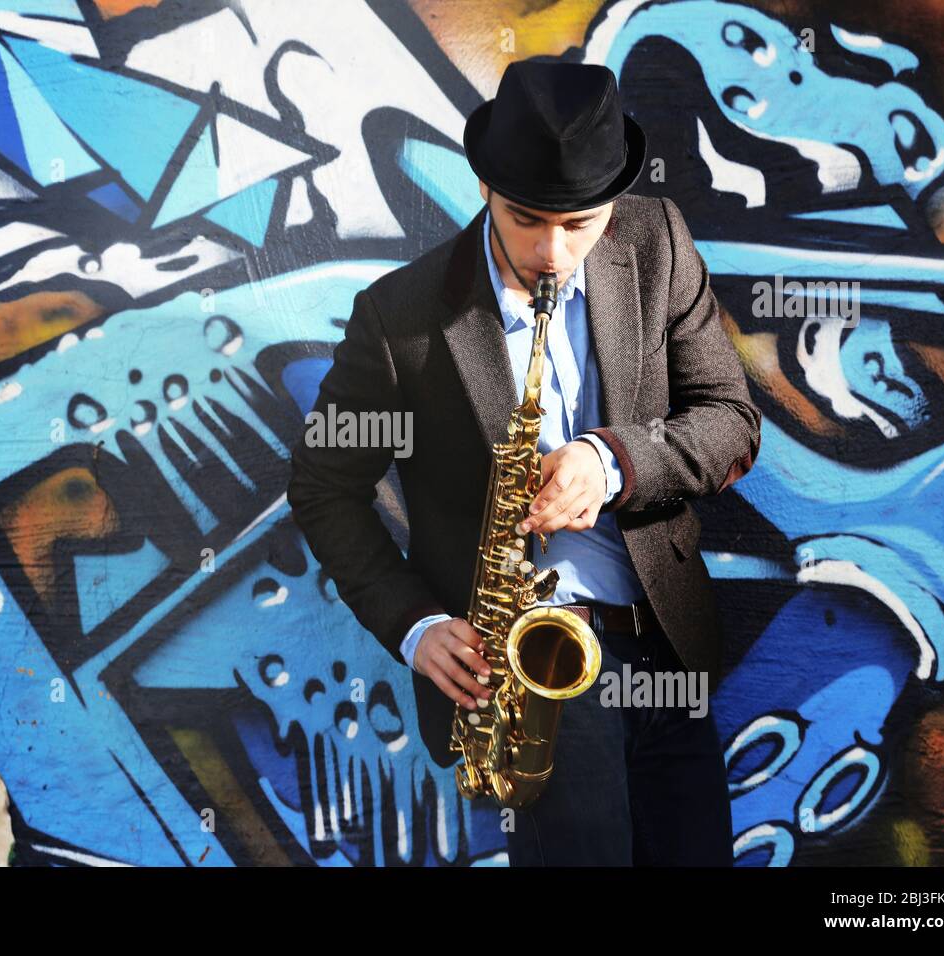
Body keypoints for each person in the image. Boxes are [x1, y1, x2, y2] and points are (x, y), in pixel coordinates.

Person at [287, 58, 762, 865]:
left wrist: (612, 463)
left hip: (665, 652)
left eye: (580, 223)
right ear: (485, 190)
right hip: (520, 675)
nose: (552, 251)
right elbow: (323, 485)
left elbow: (731, 422)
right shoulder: (399, 318)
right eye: (527, 219)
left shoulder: (656, 244)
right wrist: (415, 627)